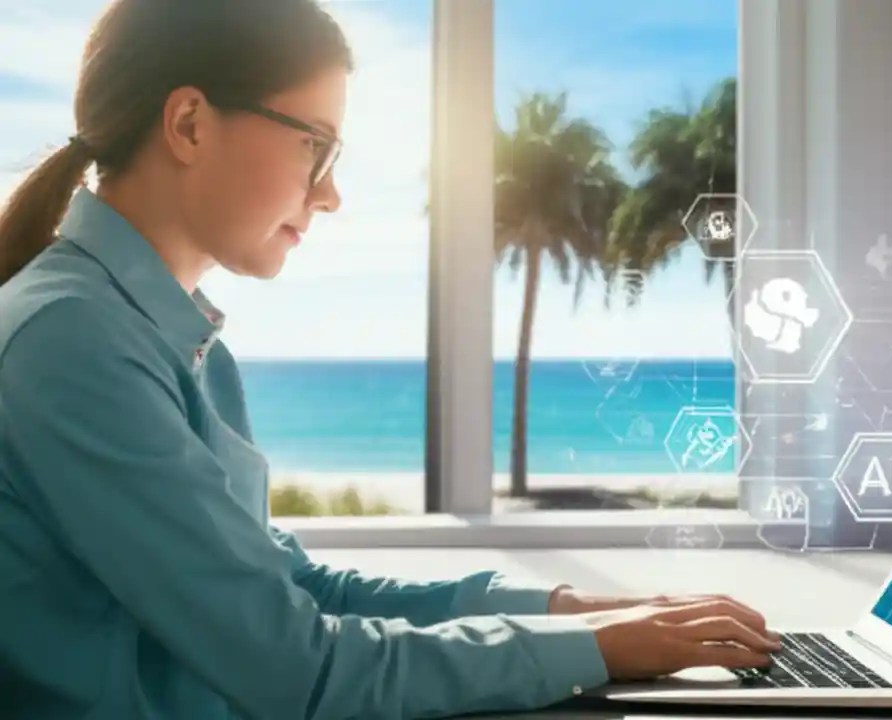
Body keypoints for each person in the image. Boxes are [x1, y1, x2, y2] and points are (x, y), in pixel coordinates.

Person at [0, 1, 780, 718]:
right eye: (315, 146)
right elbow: (298, 669)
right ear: (190, 124)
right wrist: (595, 649)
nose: (331, 193)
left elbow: (297, 590)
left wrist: (568, 613)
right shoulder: (73, 342)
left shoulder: (169, 341)